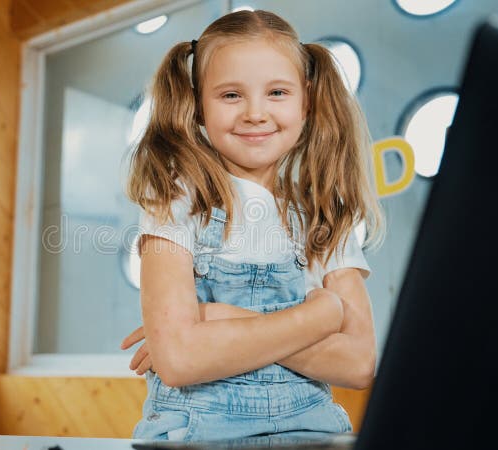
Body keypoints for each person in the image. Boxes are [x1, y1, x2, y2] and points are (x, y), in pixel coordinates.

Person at [120, 9, 384, 442]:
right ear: (197, 106)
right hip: (198, 434)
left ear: (307, 101)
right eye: (230, 95)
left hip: (311, 431)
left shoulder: (323, 217)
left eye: (277, 92)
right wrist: (320, 316)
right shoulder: (178, 201)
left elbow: (358, 364)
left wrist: (220, 318)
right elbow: (181, 360)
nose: (255, 113)